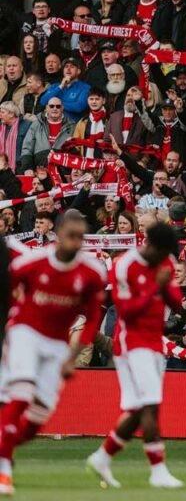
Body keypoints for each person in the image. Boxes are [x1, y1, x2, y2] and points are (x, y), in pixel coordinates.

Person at [0, 211, 107, 496]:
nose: (76, 242)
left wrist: (73, 356)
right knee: (21, 396)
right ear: (57, 234)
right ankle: (4, 470)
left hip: (58, 344)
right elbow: (9, 288)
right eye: (71, 235)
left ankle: (3, 444)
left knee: (37, 419)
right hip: (26, 333)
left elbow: (94, 317)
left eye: (81, 237)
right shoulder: (31, 262)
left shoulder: (92, 272)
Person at [87, 223, 185, 489]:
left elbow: (177, 303)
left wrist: (166, 286)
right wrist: (155, 287)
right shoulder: (125, 264)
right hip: (131, 342)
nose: (165, 258)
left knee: (136, 409)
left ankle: (102, 457)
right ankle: (158, 470)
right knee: (151, 404)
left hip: (155, 341)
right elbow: (126, 311)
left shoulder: (165, 261)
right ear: (149, 245)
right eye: (162, 252)